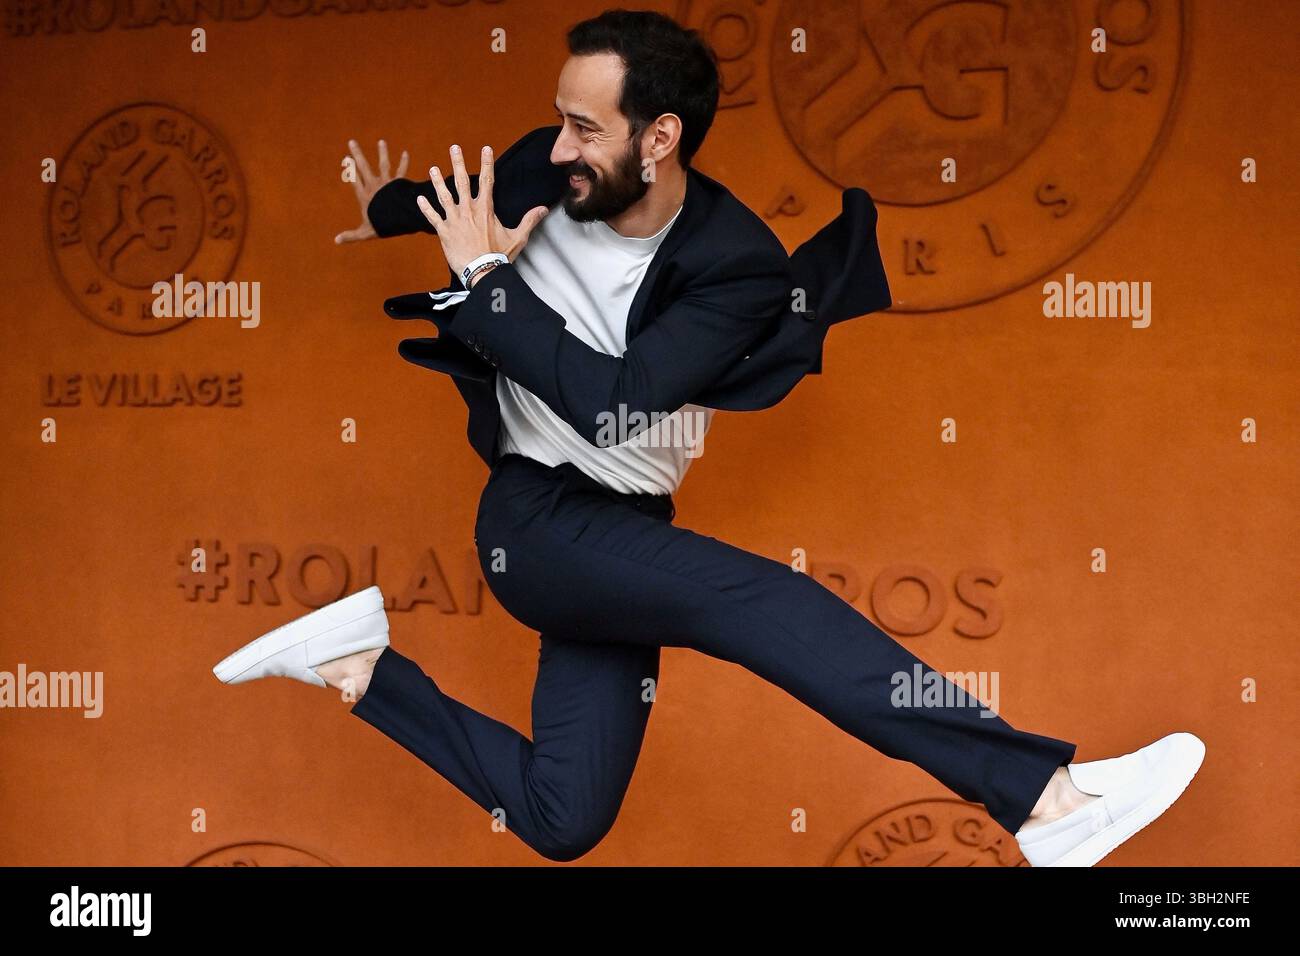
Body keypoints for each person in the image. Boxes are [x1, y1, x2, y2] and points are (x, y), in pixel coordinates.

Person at [214, 8, 1205, 865]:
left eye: (583, 127)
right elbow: (449, 201)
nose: (557, 148)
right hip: (539, 519)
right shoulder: (542, 168)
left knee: (564, 813)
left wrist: (487, 286)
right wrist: (385, 208)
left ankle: (360, 666)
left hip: (616, 530)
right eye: (558, 118)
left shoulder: (735, 268)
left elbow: (616, 400)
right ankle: (1046, 800)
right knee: (766, 601)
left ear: (658, 138)